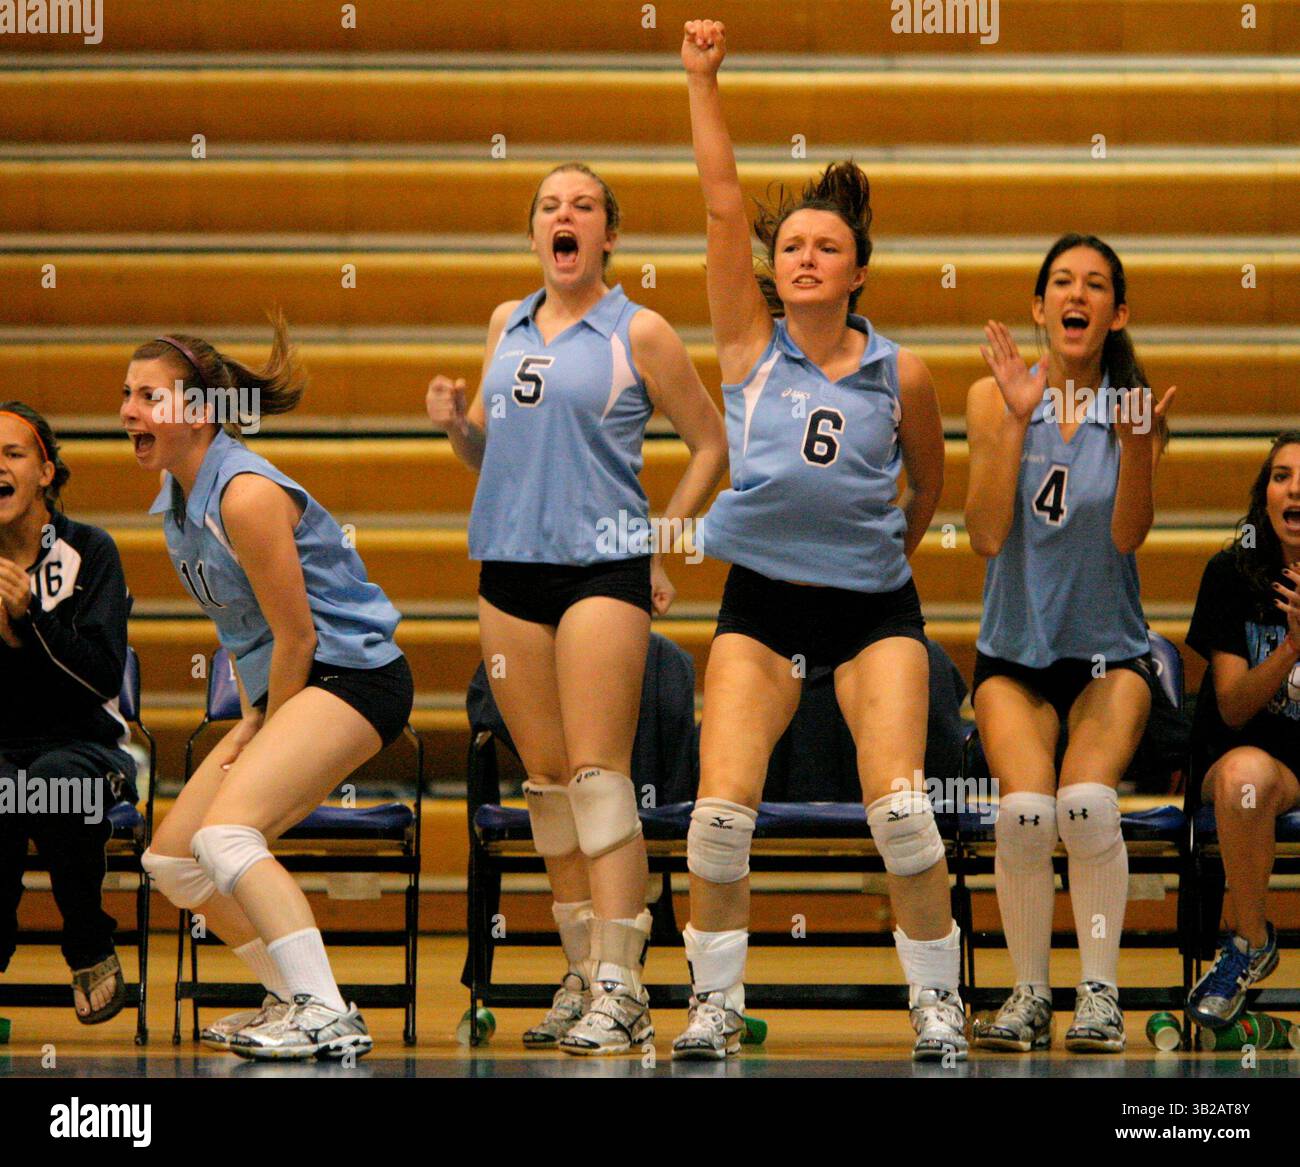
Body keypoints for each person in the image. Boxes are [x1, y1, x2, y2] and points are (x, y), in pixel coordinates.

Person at [676, 20, 962, 1062]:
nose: (802, 257)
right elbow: (718, 205)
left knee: (900, 811)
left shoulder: (905, 374)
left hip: (872, 611)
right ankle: (714, 1002)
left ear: (856, 272)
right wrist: (703, 79)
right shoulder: (746, 346)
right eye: (790, 245)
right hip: (761, 601)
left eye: (823, 247)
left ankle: (936, 1002)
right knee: (717, 818)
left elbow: (926, 485)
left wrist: (881, 548)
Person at [426, 162, 727, 1054]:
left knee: (598, 782)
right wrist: (454, 425)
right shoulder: (504, 324)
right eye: (550, 206)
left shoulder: (641, 330)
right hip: (508, 572)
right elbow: (488, 452)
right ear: (535, 235)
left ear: (608, 236)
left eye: (583, 206)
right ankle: (582, 969)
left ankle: (625, 986)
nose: (566, 216)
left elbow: (710, 443)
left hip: (603, 566)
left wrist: (665, 541)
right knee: (550, 789)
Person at [122, 317, 413, 1060]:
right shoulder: (179, 502)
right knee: (174, 860)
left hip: (355, 676)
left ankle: (327, 1010)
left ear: (199, 412)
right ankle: (287, 993)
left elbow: (299, 636)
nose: (128, 410)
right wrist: (256, 715)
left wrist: (264, 726)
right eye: (126, 394)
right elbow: (243, 628)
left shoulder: (245, 494)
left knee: (226, 835)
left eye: (149, 395)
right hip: (300, 680)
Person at [966, 234, 1174, 1053]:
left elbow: (1129, 537)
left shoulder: (1135, 406)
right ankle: (1027, 993)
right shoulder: (993, 397)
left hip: (1107, 655)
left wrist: (1136, 451)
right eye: (1061, 282)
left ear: (1115, 313)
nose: (1075, 295)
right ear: (1039, 306)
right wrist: (1019, 421)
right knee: (1022, 813)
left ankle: (1099, 993)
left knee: (1084, 806)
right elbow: (984, 535)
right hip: (1013, 655)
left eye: (1094, 285)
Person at [0, 402, 136, 1024]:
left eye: (12, 453)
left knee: (54, 784)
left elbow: (100, 677)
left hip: (86, 744)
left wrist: (33, 618)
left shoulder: (90, 552)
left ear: (46, 472)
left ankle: (88, 942)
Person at [1185, 432, 1300, 1029]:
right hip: (1235, 758)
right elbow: (1232, 708)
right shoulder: (1231, 572)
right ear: (1265, 497)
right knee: (1245, 776)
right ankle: (1250, 943)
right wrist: (1292, 649)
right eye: (1280, 476)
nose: (1295, 488)